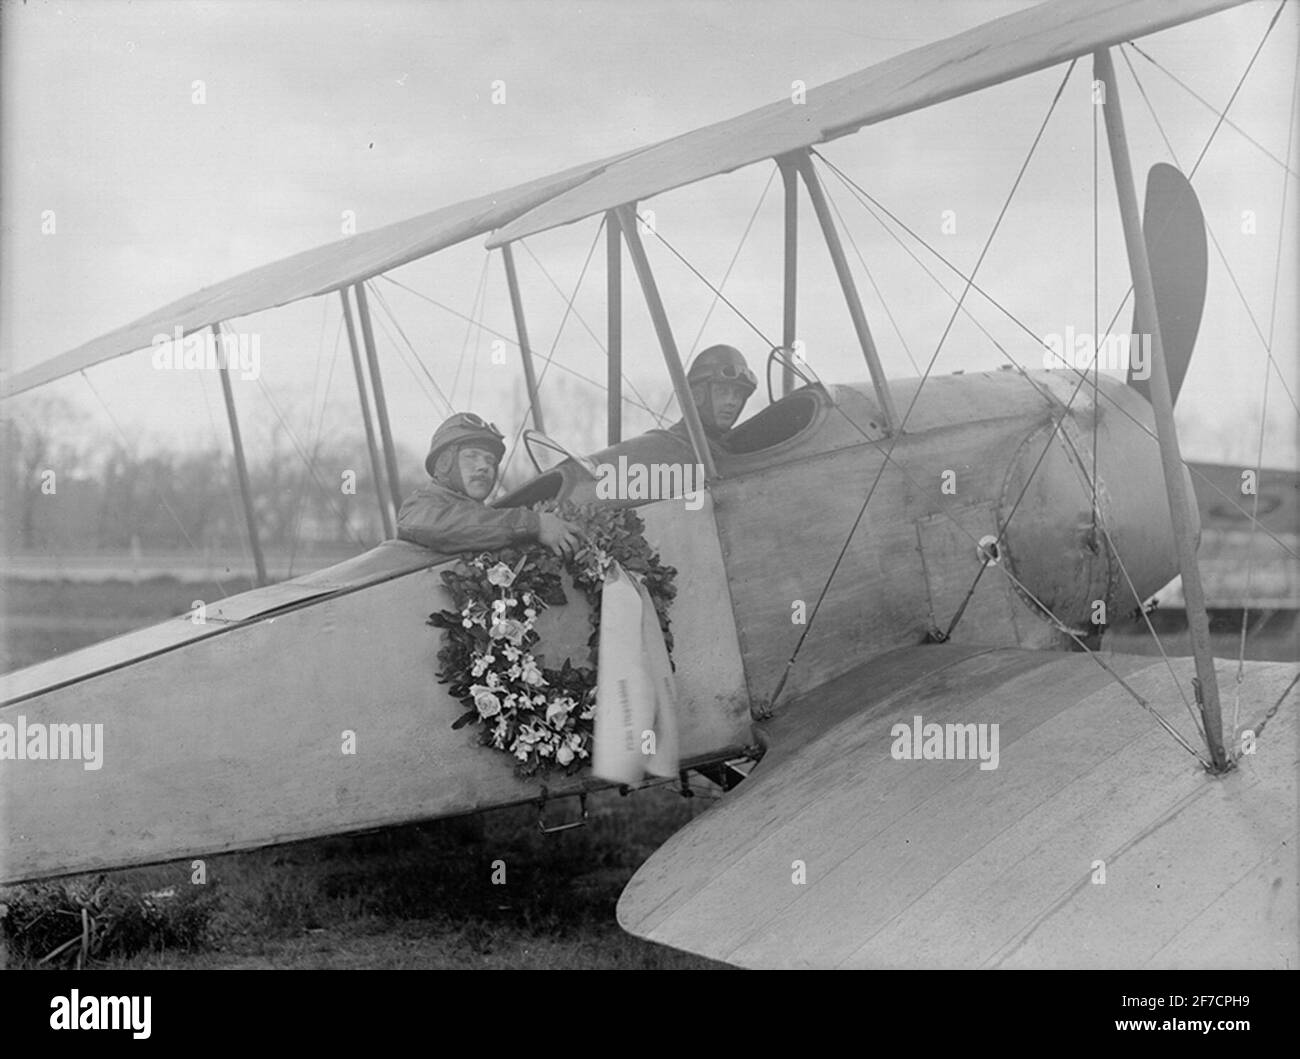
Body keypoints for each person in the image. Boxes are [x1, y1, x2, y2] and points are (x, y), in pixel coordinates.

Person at [396, 412, 581, 556]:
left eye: (490, 460)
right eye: (472, 456)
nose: (484, 466)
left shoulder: (488, 520)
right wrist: (535, 523)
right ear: (445, 462)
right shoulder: (418, 506)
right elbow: (446, 526)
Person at [667, 344, 757, 456]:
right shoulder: (672, 448)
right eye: (722, 392)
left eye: (738, 394)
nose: (731, 401)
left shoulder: (728, 447)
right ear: (697, 395)